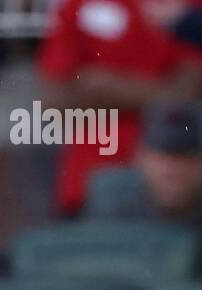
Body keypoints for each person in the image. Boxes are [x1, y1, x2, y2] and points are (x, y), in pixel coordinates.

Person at [37, 0, 202, 214]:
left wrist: (104, 86)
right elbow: (54, 99)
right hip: (89, 179)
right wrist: (155, 90)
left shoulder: (183, 8)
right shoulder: (76, 6)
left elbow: (187, 93)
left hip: (176, 185)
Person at [87, 100, 202, 225]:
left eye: (183, 156)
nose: (170, 168)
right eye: (161, 155)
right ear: (140, 158)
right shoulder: (111, 198)